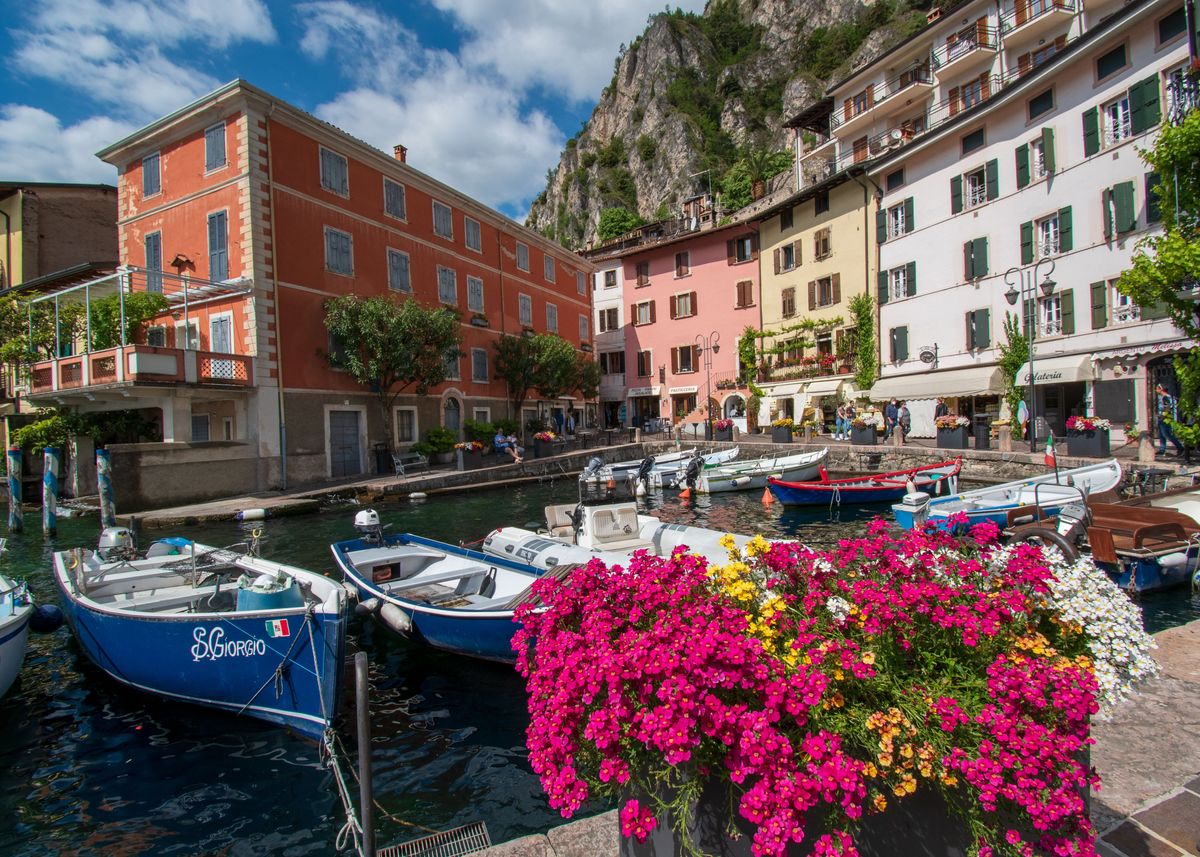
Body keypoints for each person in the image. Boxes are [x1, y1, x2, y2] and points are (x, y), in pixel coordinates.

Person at [1155, 384, 1185, 456]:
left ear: (1161, 389)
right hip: (1162, 418)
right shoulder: (1162, 397)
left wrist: (1163, 416)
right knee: (1161, 435)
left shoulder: (1166, 397)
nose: (1156, 390)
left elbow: (1167, 407)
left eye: (1157, 388)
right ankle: (1162, 450)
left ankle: (1180, 447)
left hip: (1165, 418)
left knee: (1167, 434)